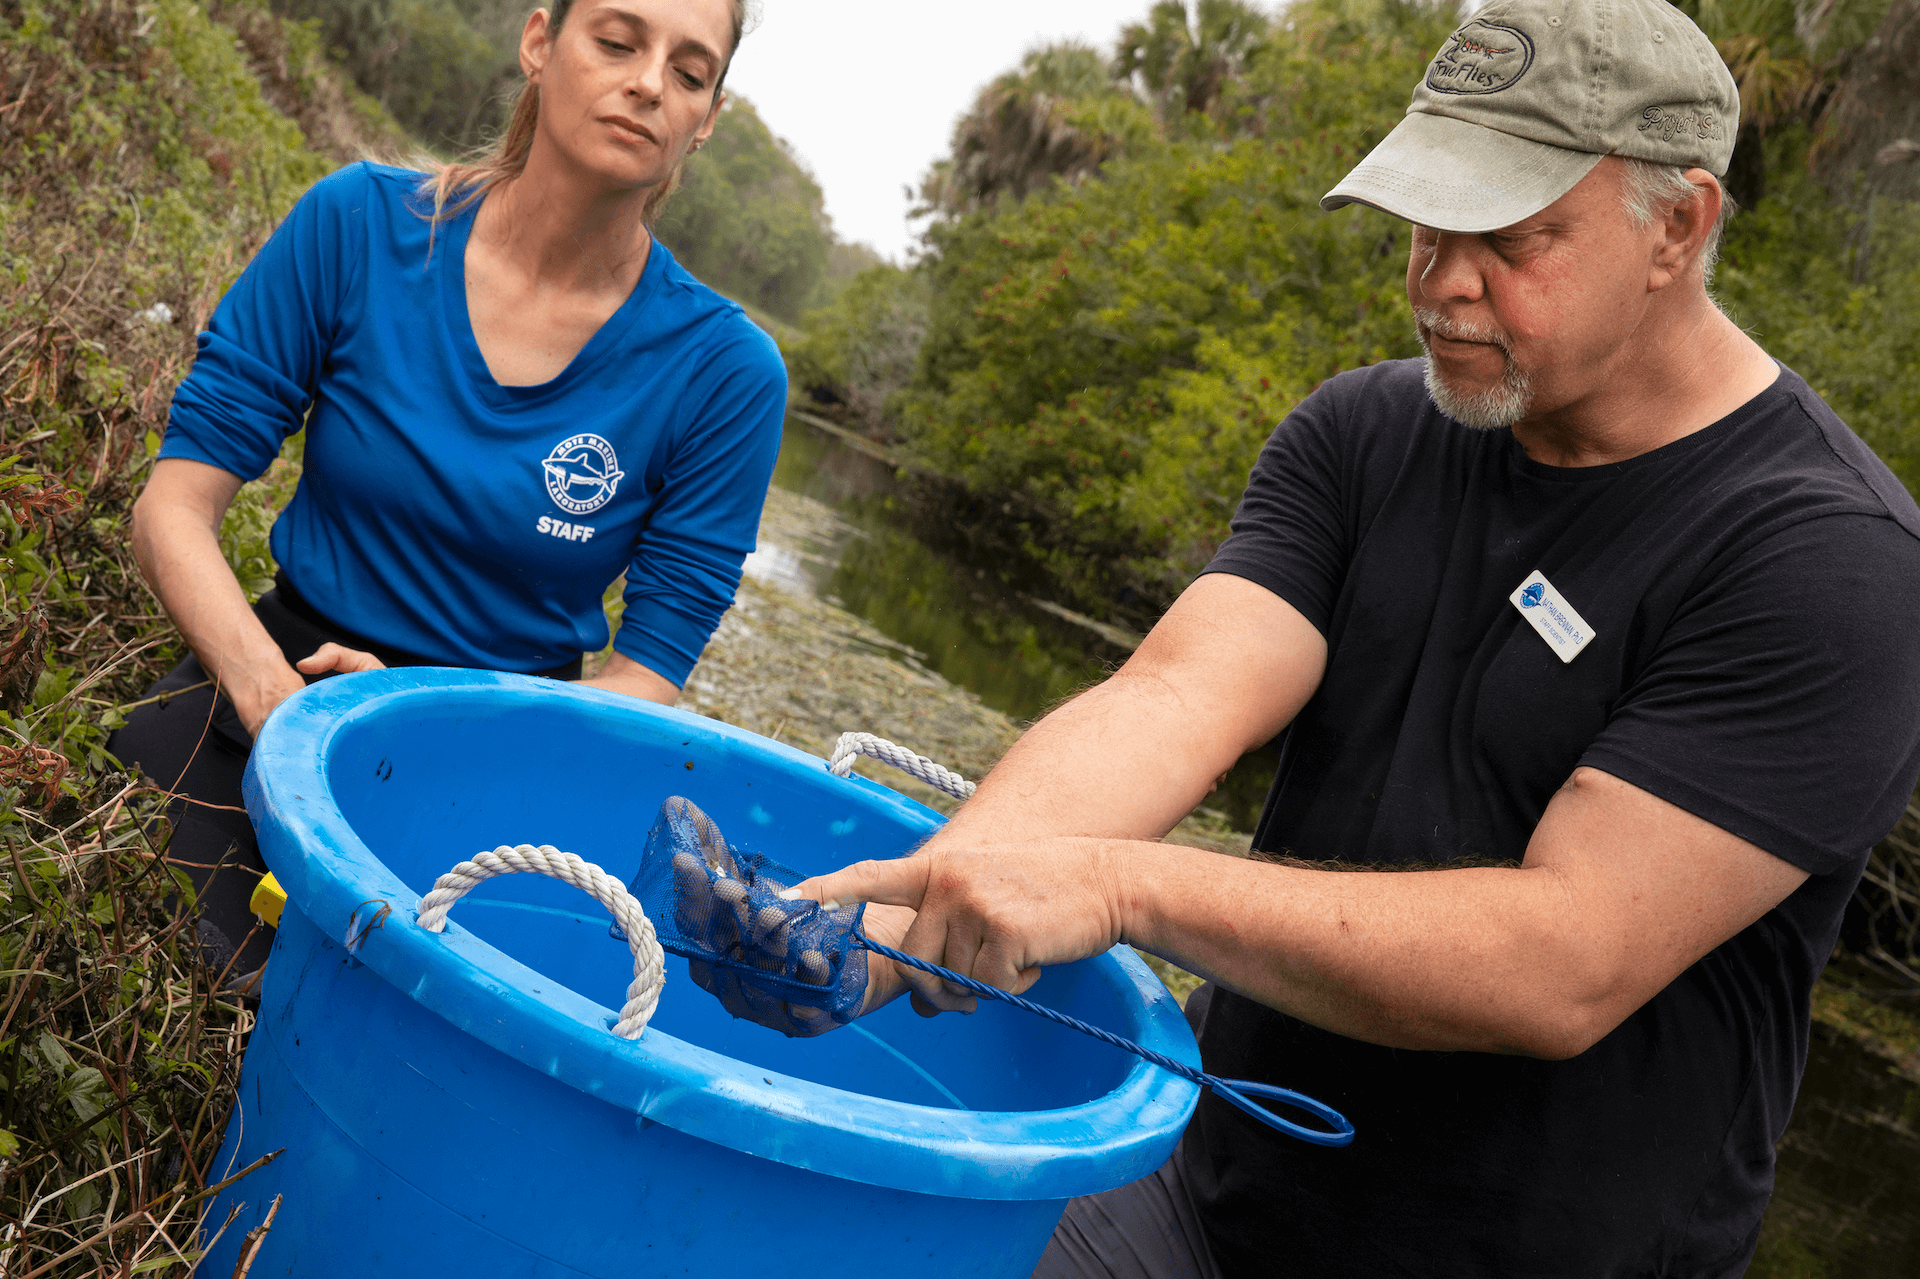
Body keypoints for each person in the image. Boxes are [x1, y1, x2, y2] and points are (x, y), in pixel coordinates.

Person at [790, 2, 1920, 1275]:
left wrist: (1118, 886)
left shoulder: (1837, 564)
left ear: (1676, 226)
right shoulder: (1363, 434)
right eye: (1429, 217)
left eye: (1508, 233)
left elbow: (1565, 959)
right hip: (1202, 1190)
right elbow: (1169, 700)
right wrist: (908, 913)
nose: (1443, 277)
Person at [112, 0, 783, 983]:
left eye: (689, 71)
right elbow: (172, 508)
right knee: (127, 954)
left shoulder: (725, 371)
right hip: (269, 686)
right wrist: (281, 709)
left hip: (499, 769)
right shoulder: (358, 226)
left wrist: (423, 729)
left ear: (708, 114)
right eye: (617, 40)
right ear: (539, 41)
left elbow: (647, 680)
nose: (648, 82)